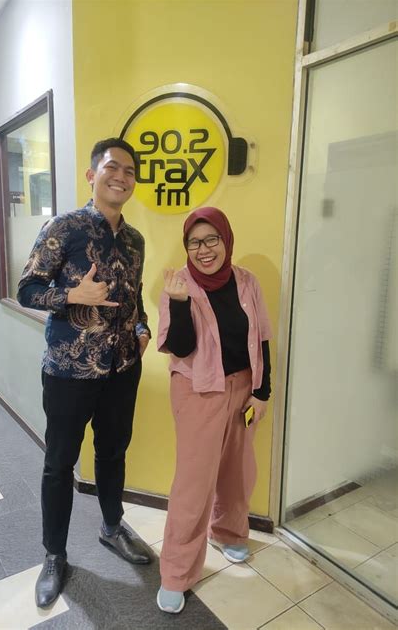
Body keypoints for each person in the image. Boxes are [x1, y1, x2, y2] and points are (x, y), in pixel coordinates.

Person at [17, 137, 154, 609]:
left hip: (122, 369)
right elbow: (27, 289)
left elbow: (134, 296)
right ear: (93, 175)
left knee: (113, 452)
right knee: (60, 463)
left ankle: (112, 527)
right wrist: (72, 295)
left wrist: (142, 328)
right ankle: (54, 555)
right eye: (113, 167)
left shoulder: (135, 241)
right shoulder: (65, 227)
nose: (122, 176)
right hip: (69, 371)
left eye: (130, 171)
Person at [156, 206, 272, 614]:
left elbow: (262, 338)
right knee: (194, 482)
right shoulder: (178, 283)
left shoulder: (247, 281)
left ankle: (227, 532)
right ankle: (176, 572)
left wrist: (262, 391)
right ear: (186, 247)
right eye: (194, 242)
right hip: (197, 390)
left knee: (238, 470)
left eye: (211, 239)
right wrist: (179, 303)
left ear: (226, 240)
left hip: (243, 387)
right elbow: (181, 346)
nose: (204, 250)